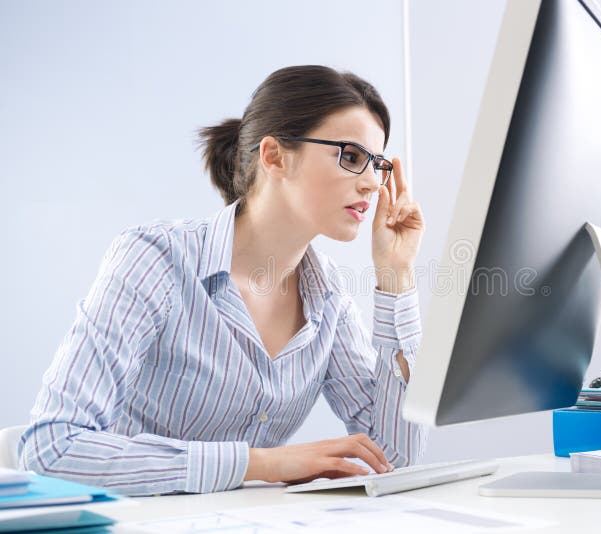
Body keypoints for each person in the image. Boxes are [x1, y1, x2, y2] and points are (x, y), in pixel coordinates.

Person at [19, 65, 427, 496]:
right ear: (273, 157)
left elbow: (392, 459)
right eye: (351, 156)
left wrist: (396, 276)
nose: (370, 184)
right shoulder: (157, 260)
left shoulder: (328, 298)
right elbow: (52, 449)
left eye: (377, 164)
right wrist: (262, 464)